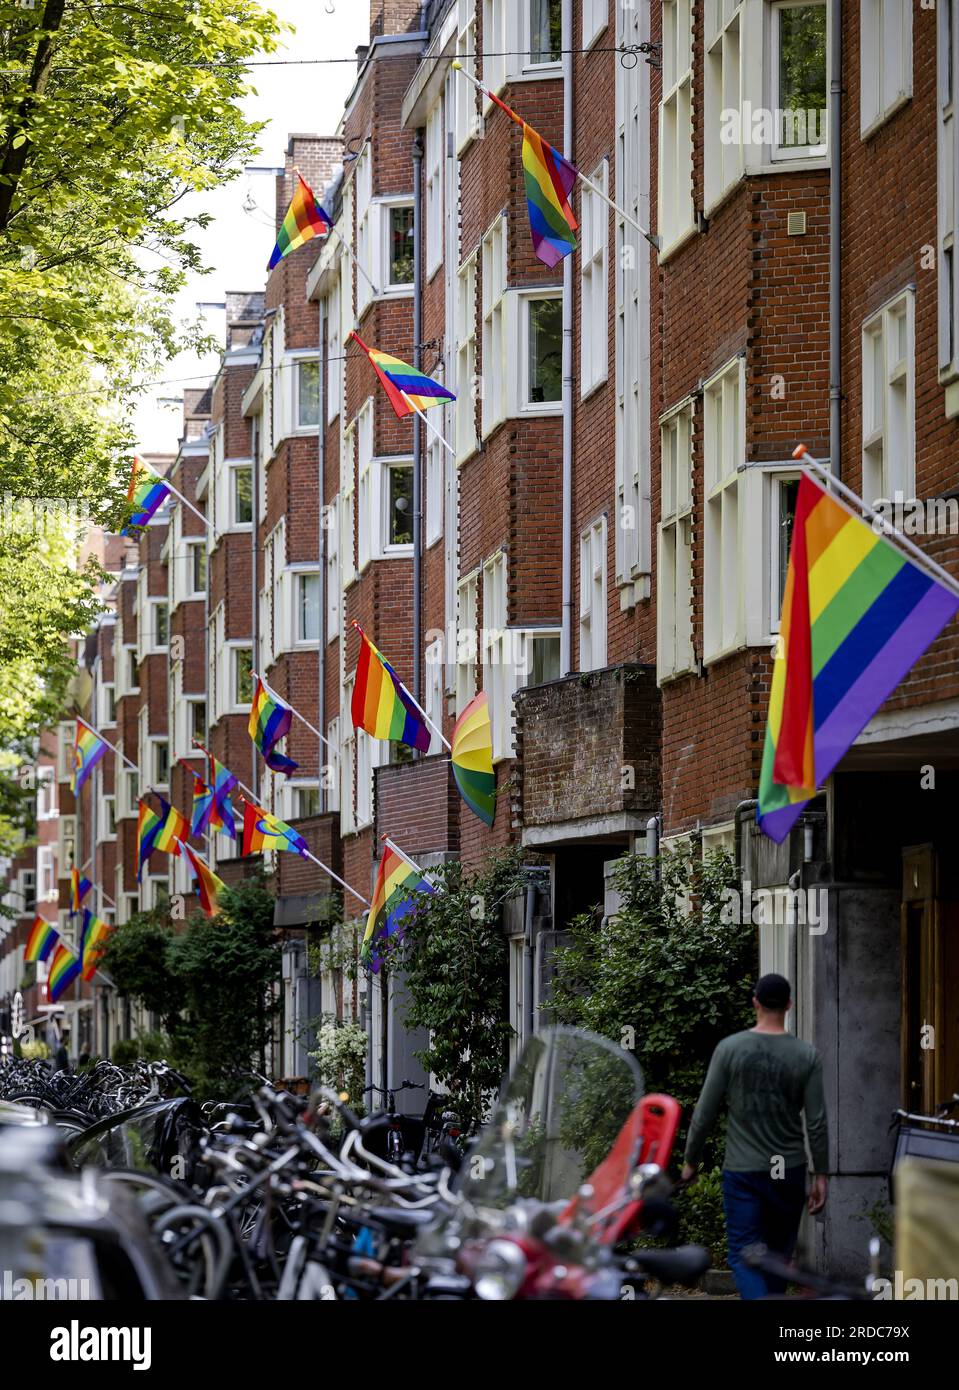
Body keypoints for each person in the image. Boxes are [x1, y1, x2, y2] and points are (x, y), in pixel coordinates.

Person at [680, 973, 829, 1299]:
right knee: (778, 1259)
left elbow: (704, 1113)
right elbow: (816, 1121)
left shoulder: (729, 1049)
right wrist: (821, 1174)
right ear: (789, 1005)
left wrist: (690, 1160)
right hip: (788, 1170)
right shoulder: (807, 1056)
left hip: (744, 1172)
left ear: (755, 1003)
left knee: (744, 1255)